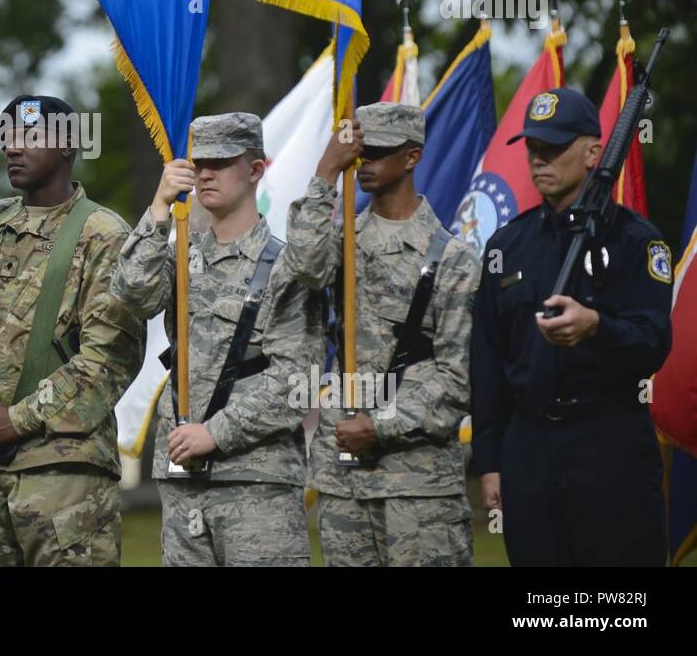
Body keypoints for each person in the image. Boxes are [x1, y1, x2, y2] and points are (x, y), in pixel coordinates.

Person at [0, 95, 144, 566]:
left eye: (31, 137)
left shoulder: (103, 233)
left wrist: (17, 420)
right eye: (9, 138)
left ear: (68, 147)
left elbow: (110, 360)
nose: (14, 149)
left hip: (63, 465)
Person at [110, 113, 324, 566]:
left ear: (255, 169)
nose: (206, 173)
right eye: (199, 161)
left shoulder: (287, 267)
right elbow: (130, 293)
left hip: (256, 483)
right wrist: (159, 207)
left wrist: (215, 433)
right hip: (184, 480)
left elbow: (296, 381)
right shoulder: (181, 257)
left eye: (222, 162)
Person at [471, 87, 672, 566]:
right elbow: (488, 358)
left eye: (554, 149)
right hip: (530, 446)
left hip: (610, 441)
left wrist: (597, 326)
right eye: (534, 149)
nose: (540, 160)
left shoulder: (635, 240)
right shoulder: (507, 245)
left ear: (593, 153)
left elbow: (654, 342)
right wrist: (490, 460)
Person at [288, 103, 479, 566]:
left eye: (376, 152)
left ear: (412, 157)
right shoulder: (343, 243)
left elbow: (457, 381)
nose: (364, 162)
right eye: (359, 153)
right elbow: (302, 268)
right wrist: (326, 172)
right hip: (344, 482)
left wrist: (379, 427)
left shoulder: (453, 259)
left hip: (418, 485)